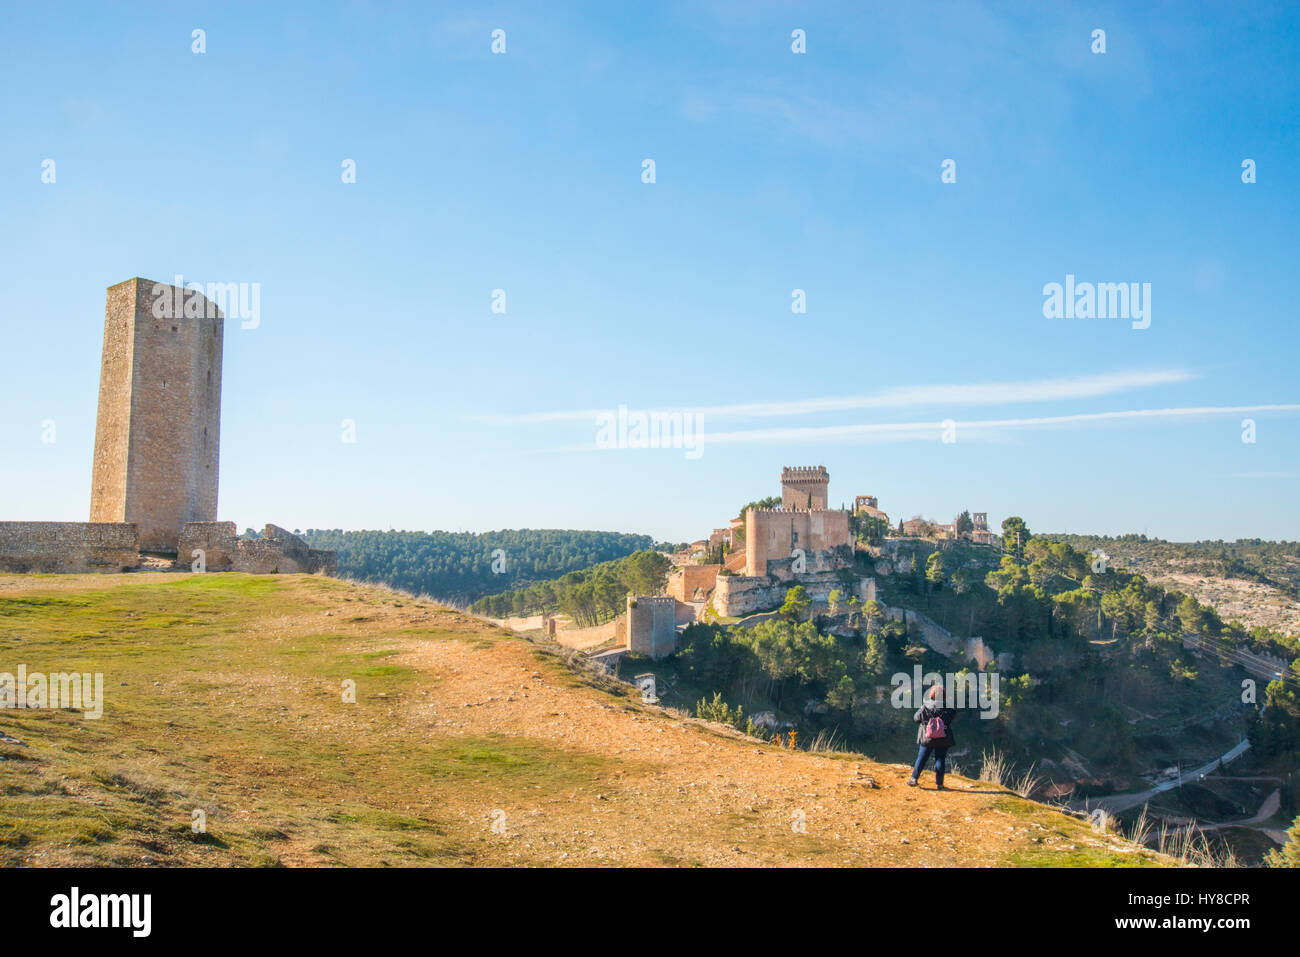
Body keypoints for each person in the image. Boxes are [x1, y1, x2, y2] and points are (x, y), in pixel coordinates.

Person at [908, 684, 957, 789]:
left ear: (932, 694)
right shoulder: (949, 708)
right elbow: (951, 718)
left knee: (921, 758)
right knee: (940, 759)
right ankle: (939, 784)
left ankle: (914, 779)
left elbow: (916, 719)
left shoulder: (925, 706)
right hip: (943, 737)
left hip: (927, 737)